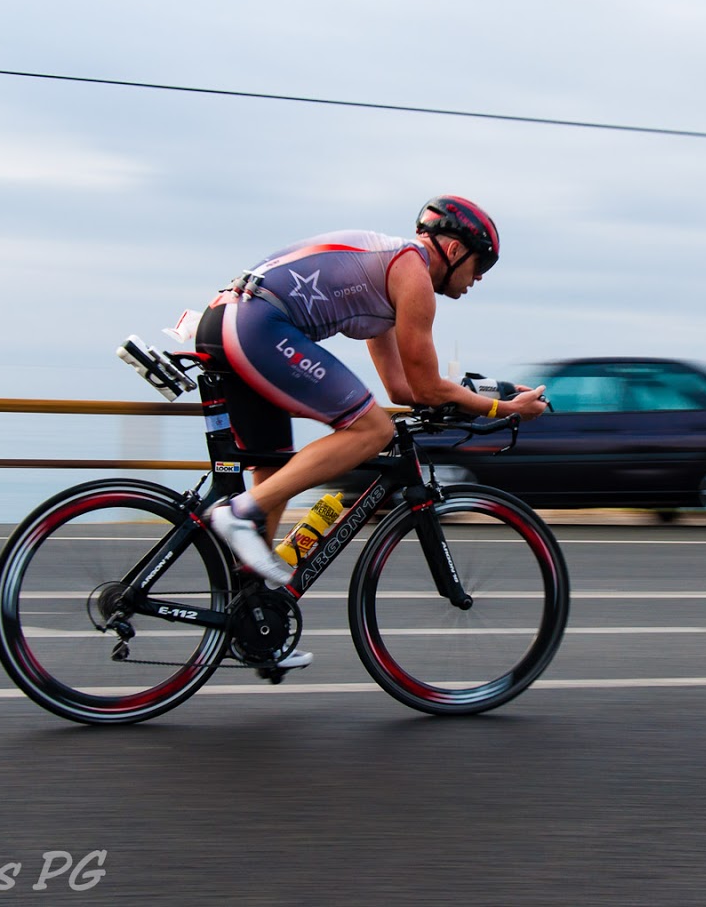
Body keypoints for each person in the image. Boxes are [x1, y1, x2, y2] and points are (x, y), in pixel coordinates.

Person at [198, 195, 548, 670]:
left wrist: (483, 396)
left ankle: (253, 623)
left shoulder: (387, 284)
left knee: (275, 465)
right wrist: (502, 407)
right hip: (257, 323)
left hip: (231, 318)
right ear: (452, 247)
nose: (480, 276)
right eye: (480, 262)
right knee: (372, 430)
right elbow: (425, 387)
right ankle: (239, 513)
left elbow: (404, 388)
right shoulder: (414, 276)